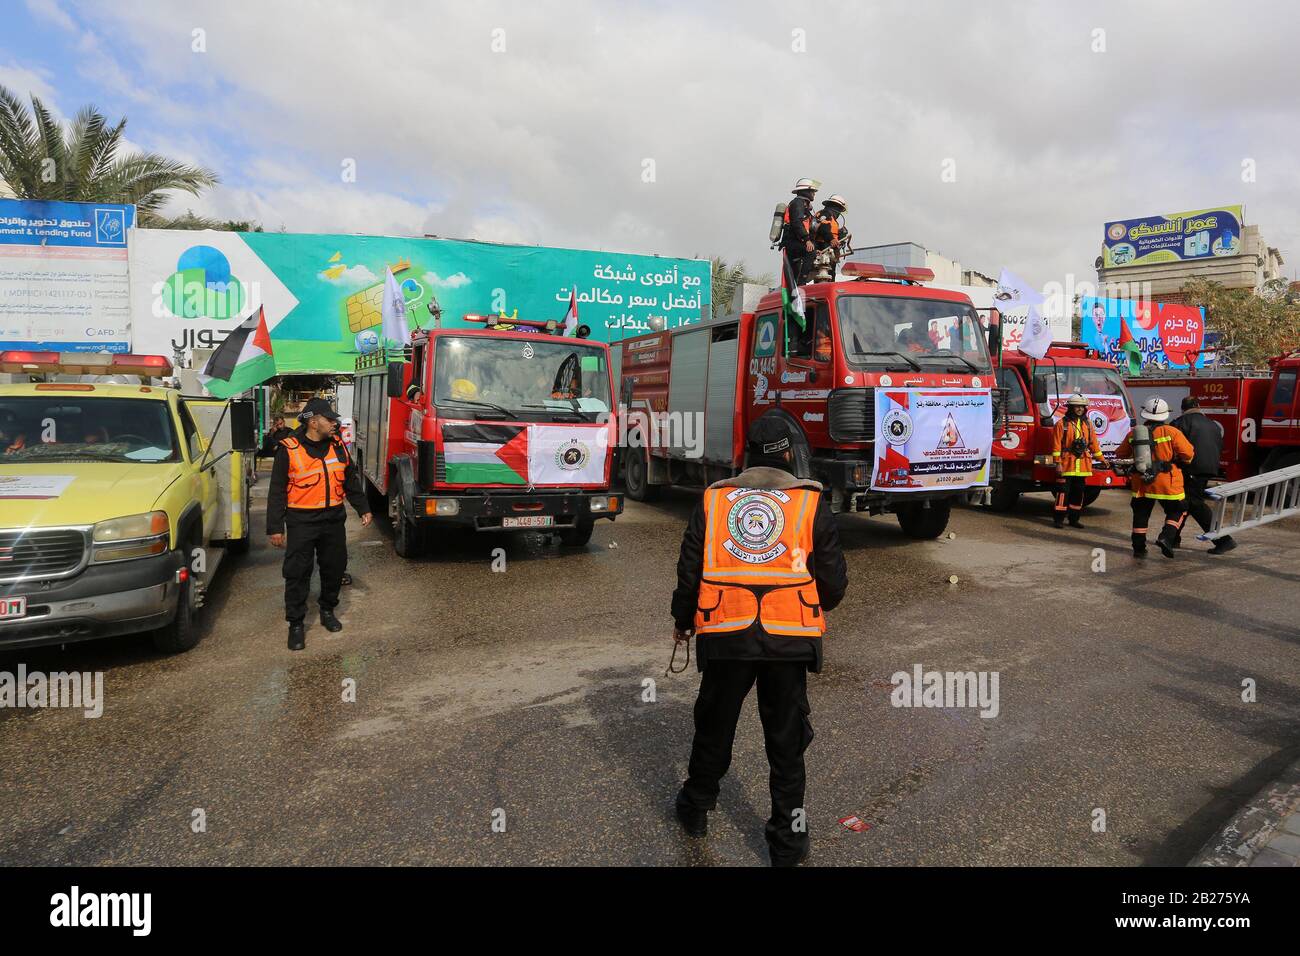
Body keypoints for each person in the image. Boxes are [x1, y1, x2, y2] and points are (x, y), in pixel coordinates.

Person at [670, 418, 849, 866]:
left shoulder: (715, 499)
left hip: (726, 634)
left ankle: (695, 809)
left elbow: (690, 565)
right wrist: (806, 601)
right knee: (786, 744)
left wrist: (682, 620)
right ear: (789, 455)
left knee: (714, 727)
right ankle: (787, 845)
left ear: (749, 453)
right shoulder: (809, 502)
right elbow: (833, 581)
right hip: (789, 639)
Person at [267, 397, 372, 651]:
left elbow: (349, 479)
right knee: (297, 572)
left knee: (334, 567)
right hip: (301, 521)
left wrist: (363, 508)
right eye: (329, 419)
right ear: (313, 422)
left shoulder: (338, 445)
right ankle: (296, 623)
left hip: (333, 519)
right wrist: (274, 527)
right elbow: (277, 491)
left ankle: (327, 610)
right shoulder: (289, 448)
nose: (334, 423)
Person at [1116, 397, 1194, 559]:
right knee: (1179, 509)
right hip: (1167, 481)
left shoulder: (1134, 433)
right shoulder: (1172, 432)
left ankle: (1138, 548)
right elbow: (1188, 454)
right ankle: (1166, 537)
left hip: (1142, 482)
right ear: (1165, 415)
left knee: (1141, 515)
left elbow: (1120, 454)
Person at [1171, 396, 1236, 554]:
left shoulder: (1180, 423)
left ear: (1183, 409)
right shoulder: (1212, 424)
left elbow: (1174, 447)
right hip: (1209, 467)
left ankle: (1223, 540)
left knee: (1194, 503)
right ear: (1199, 406)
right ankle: (1172, 538)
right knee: (1185, 502)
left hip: (1191, 468)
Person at [1051, 393, 1106, 528]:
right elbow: (1056, 445)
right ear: (1070, 408)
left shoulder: (1088, 425)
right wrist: (1057, 463)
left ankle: (1074, 520)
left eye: (1082, 407)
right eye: (1077, 407)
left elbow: (1093, 444)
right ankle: (1058, 520)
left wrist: (1102, 459)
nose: (1080, 409)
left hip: (1082, 467)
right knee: (1063, 494)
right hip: (1066, 465)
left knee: (1078, 494)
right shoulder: (1061, 424)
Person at [781, 178, 819, 286]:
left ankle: (798, 286)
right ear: (805, 191)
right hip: (793, 241)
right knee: (810, 252)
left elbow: (808, 226)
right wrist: (807, 240)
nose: (814, 194)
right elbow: (797, 222)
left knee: (812, 252)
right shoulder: (798, 203)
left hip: (797, 241)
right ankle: (802, 284)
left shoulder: (804, 205)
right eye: (812, 192)